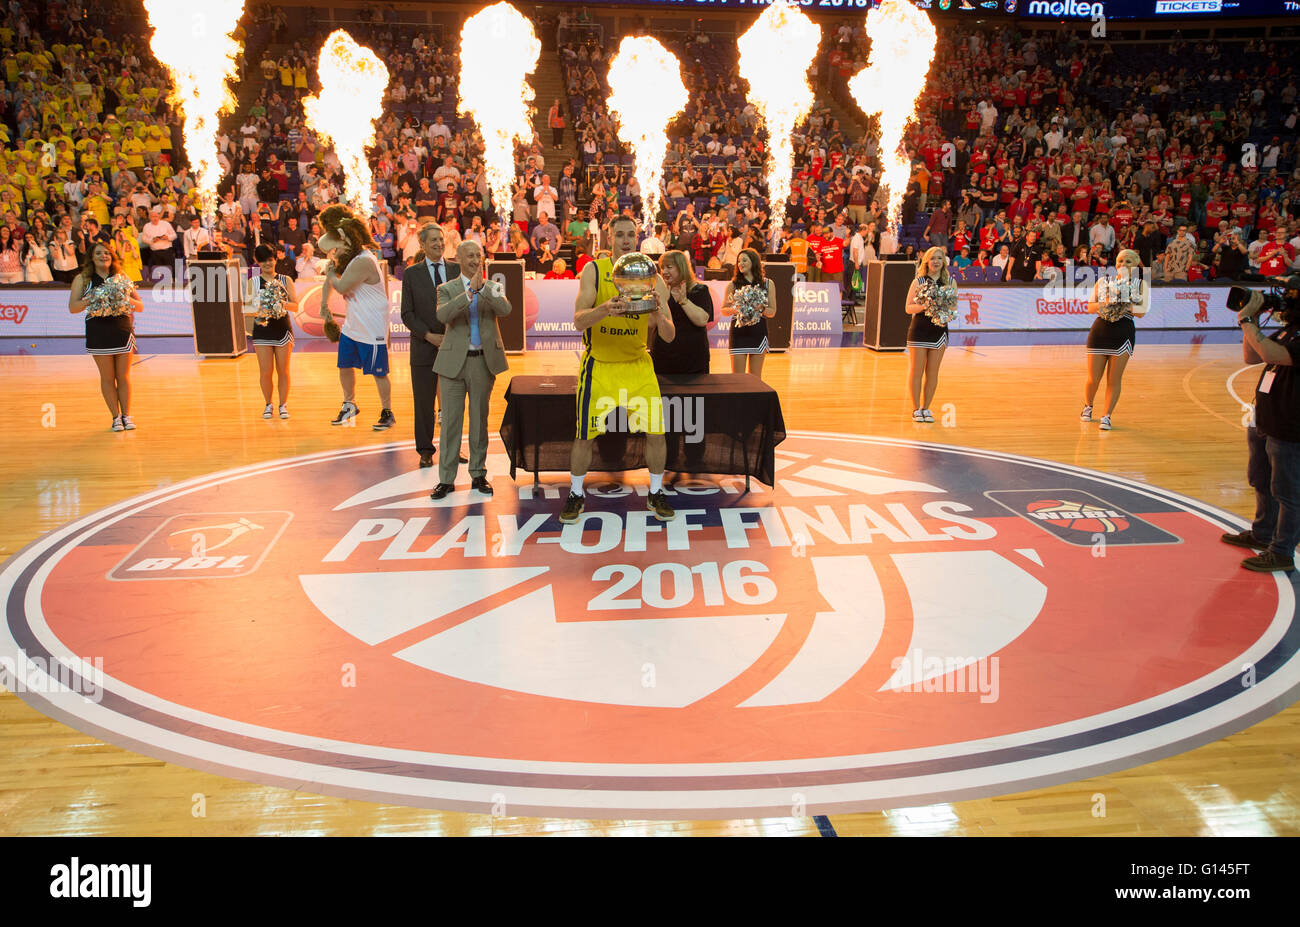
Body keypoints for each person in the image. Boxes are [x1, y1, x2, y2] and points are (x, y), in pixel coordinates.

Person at [562, 215, 676, 525]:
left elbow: (669, 335)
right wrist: (603, 310)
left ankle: (655, 491)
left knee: (656, 432)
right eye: (620, 235)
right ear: (609, 238)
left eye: (631, 235)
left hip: (638, 366)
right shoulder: (594, 271)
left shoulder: (651, 277)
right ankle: (575, 493)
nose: (626, 240)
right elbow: (578, 320)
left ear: (637, 238)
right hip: (600, 366)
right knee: (584, 435)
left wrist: (657, 314)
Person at [1226, 277, 1300, 571]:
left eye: (1290, 293)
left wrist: (1247, 319)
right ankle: (1262, 533)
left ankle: (1281, 552)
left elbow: (1272, 354)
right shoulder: (1289, 329)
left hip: (1290, 423)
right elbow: (1251, 356)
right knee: (1260, 479)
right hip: (1266, 417)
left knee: (1288, 491)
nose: (1284, 300)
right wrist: (1251, 320)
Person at [429, 240, 512, 499]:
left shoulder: (494, 287)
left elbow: (506, 309)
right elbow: (443, 316)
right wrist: (468, 295)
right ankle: (446, 479)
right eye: (470, 255)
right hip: (453, 364)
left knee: (479, 420)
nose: (476, 259)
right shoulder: (447, 288)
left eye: (479, 255)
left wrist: (483, 290)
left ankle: (478, 474)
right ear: (459, 259)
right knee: (451, 423)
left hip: (482, 362)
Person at [317, 204, 395, 431]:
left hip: (372, 326)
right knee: (344, 365)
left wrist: (330, 270)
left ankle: (387, 411)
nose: (334, 254)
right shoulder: (349, 257)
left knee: (378, 372)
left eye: (337, 249)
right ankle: (349, 404)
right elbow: (328, 283)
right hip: (354, 323)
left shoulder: (363, 261)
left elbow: (340, 285)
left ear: (347, 241)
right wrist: (323, 304)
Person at [400, 222, 464, 469]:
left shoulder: (457, 270)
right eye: (433, 240)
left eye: (441, 239)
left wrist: (452, 334)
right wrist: (429, 336)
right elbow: (407, 313)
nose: (438, 243)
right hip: (423, 346)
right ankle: (425, 450)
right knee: (424, 402)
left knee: (452, 402)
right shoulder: (411, 274)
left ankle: (453, 448)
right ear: (423, 244)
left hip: (453, 346)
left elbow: (464, 306)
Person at [68, 241, 143, 431]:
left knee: (124, 376)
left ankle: (127, 415)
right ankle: (115, 417)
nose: (104, 256)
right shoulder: (82, 279)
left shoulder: (121, 276)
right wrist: (93, 297)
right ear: (92, 257)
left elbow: (140, 306)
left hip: (122, 329)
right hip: (98, 331)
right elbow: (73, 308)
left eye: (107, 253)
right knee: (108, 378)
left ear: (113, 256)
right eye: (99, 253)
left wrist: (122, 296)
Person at [1082, 249, 1149, 431]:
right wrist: (1108, 302)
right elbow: (1089, 307)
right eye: (1120, 260)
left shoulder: (1141, 285)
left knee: (1114, 379)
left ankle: (1107, 415)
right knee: (1092, 379)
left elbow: (1141, 312)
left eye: (1128, 261)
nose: (1123, 264)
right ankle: (1088, 406)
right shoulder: (1103, 282)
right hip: (1100, 330)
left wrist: (1124, 300)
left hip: (1123, 332)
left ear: (1135, 265)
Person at [904, 247, 957, 423]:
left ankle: (926, 408)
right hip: (919, 329)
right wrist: (927, 306)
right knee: (916, 371)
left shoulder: (950, 282)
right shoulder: (918, 281)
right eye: (932, 258)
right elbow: (908, 308)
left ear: (944, 262)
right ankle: (915, 409)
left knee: (933, 373)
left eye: (939, 258)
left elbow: (953, 308)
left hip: (939, 331)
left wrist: (944, 311)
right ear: (926, 260)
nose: (936, 261)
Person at [244, 244, 297, 420]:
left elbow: (295, 305)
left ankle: (283, 405)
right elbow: (247, 307)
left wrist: (280, 303)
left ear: (275, 259)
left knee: (284, 371)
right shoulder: (253, 282)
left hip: (282, 330)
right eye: (263, 260)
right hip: (262, 331)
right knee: (265, 371)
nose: (267, 263)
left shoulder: (285, 279)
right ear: (257, 262)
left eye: (270, 259)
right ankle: (268, 404)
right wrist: (261, 307)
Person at [652, 250, 712, 376]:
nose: (664, 272)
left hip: (694, 361)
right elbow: (651, 323)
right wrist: (661, 300)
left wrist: (683, 301)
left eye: (669, 267)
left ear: (682, 267)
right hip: (663, 358)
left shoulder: (700, 290)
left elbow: (702, 320)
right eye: (662, 267)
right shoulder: (657, 293)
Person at [722, 249, 777, 378]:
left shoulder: (768, 284)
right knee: (738, 380)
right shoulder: (733, 285)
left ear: (754, 262)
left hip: (758, 332)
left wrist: (760, 308)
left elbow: (772, 312)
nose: (740, 263)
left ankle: (754, 399)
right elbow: (723, 310)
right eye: (739, 261)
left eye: (744, 260)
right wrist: (737, 308)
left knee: (755, 379)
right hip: (739, 334)